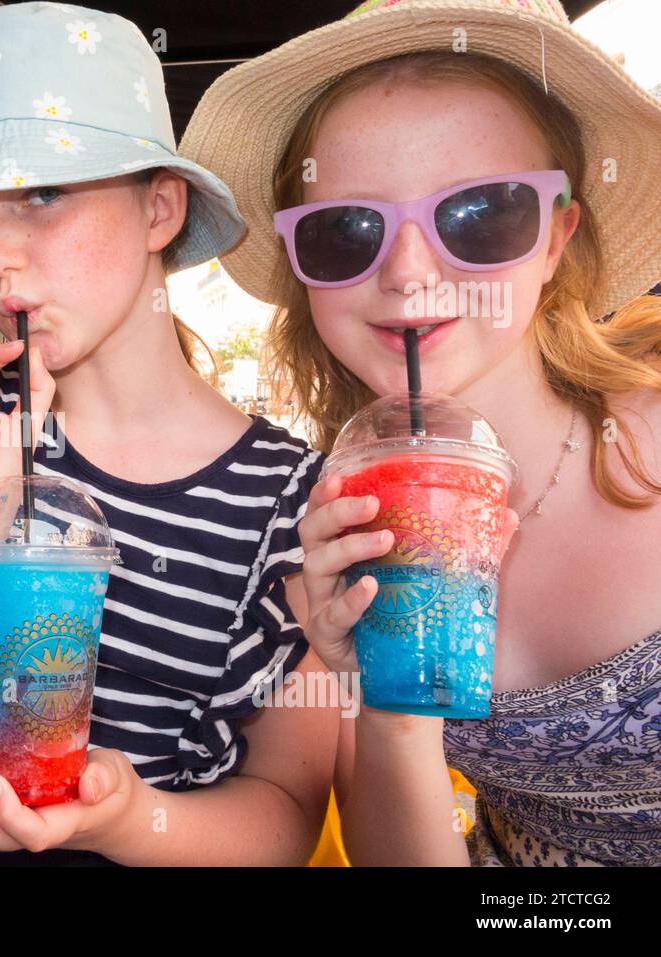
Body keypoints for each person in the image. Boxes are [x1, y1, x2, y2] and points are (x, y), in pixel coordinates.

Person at [0, 2, 337, 866]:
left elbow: (284, 815)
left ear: (160, 210)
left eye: (44, 194)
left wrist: (130, 819)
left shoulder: (289, 501)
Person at [183, 0, 661, 865]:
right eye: (346, 231)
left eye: (480, 213)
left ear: (558, 236)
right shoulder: (346, 516)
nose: (407, 274)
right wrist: (384, 707)